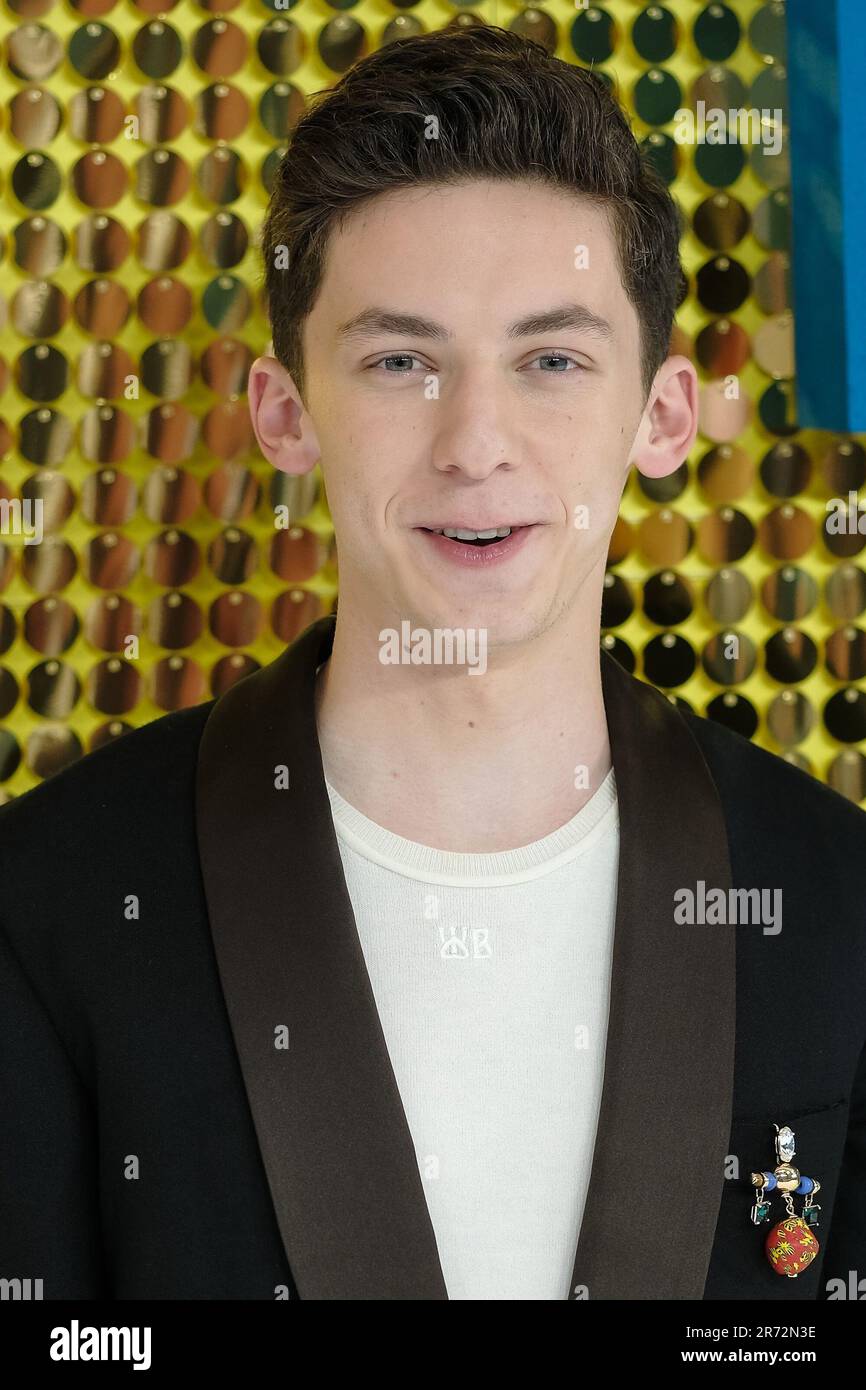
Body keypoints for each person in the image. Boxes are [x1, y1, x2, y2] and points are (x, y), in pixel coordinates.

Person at [1, 26, 864, 1303]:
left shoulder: (838, 904)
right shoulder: (49, 905)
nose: (476, 441)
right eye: (401, 361)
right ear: (284, 414)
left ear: (662, 413)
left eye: (551, 361)